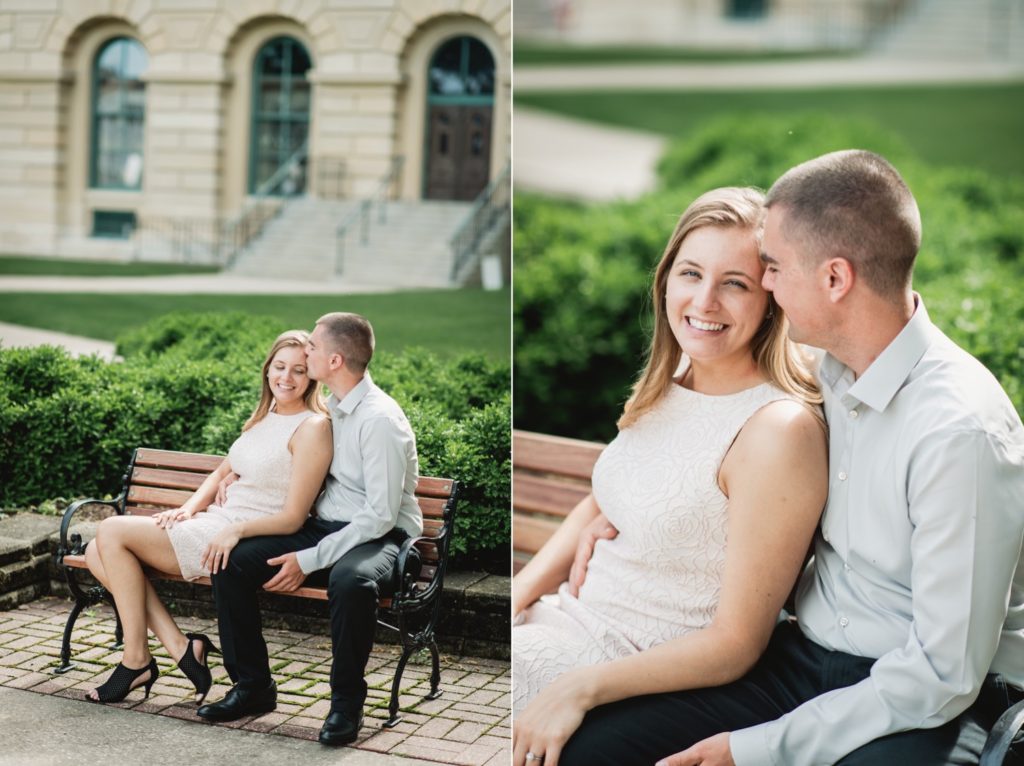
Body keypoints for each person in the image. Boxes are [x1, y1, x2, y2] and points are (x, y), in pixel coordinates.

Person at [560, 151, 1024, 766]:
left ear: (835, 279)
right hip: (803, 658)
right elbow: (698, 437)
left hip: (934, 696)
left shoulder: (959, 432)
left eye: (773, 267)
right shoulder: (829, 367)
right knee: (590, 748)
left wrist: (753, 748)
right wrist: (620, 512)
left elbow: (942, 674)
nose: (767, 285)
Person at [511, 187, 830, 766]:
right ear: (665, 281)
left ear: (771, 298)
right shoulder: (677, 375)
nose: (704, 301)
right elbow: (600, 503)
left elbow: (737, 643)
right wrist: (519, 593)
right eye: (691, 273)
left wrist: (578, 688)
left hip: (635, 669)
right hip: (567, 620)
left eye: (735, 283)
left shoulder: (777, 430)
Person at [196, 312, 424, 747]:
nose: (306, 351)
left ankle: (346, 705)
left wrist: (310, 558)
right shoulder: (334, 409)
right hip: (326, 528)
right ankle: (252, 686)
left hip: (384, 539)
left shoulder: (380, 420)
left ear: (334, 361)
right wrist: (236, 474)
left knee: (351, 581)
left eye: (313, 348)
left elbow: (379, 516)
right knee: (232, 563)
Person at [83, 329, 332, 705]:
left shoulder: (312, 426)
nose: (287, 377)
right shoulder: (265, 418)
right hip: (216, 521)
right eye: (280, 366)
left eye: (299, 370)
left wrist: (234, 530)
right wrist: (188, 508)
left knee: (111, 531)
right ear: (267, 369)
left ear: (312, 375)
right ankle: (181, 647)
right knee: (94, 551)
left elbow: (294, 517)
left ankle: (137, 660)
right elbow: (221, 472)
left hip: (243, 537)